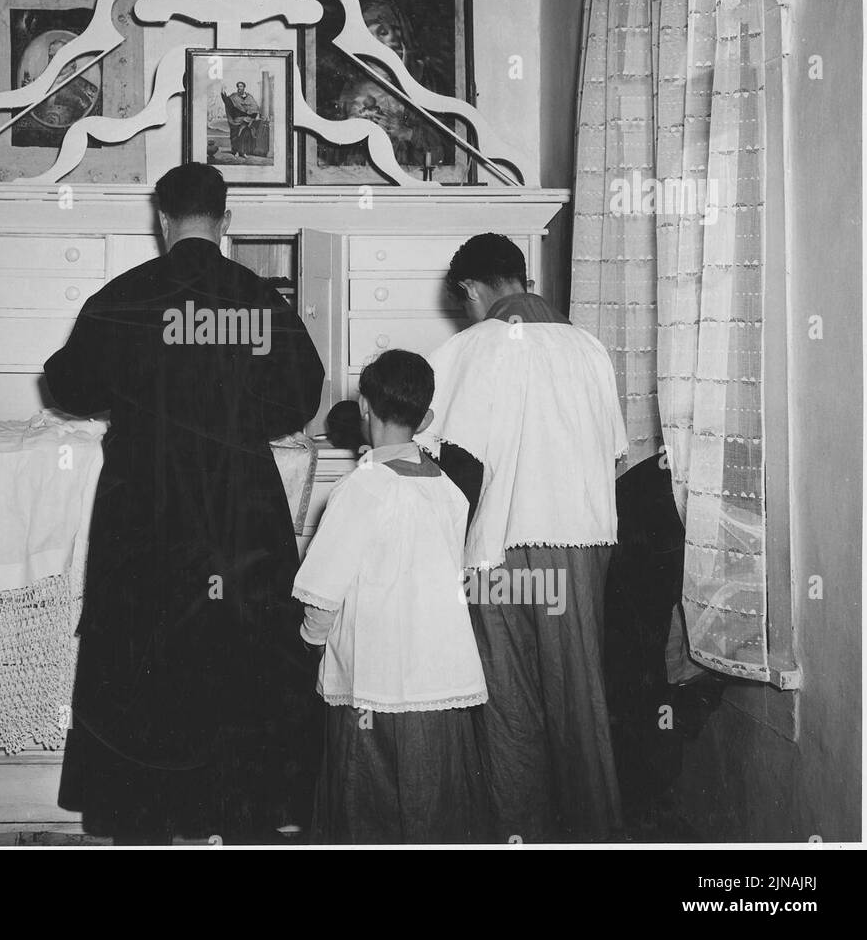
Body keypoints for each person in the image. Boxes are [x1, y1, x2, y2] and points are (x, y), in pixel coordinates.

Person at [44, 162, 325, 845]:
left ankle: (147, 822)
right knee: (239, 658)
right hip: (239, 511)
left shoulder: (123, 297)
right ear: (226, 221)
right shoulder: (260, 301)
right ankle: (237, 817)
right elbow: (302, 393)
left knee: (144, 662)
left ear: (162, 220)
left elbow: (66, 385)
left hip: (145, 510)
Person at [417, 232, 628, 842]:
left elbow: (452, 467)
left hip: (501, 551)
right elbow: (612, 454)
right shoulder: (589, 347)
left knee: (508, 706)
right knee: (580, 704)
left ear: (472, 290)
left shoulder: (468, 348)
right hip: (584, 547)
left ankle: (518, 837)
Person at [293, 349, 488, 843]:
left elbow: (321, 594)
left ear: (364, 407)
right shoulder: (449, 489)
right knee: (433, 807)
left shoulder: (364, 487)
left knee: (368, 809)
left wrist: (310, 644)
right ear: (425, 418)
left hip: (374, 683)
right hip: (439, 682)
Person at [220, 81, 261, 157]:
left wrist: (250, 116)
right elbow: (228, 102)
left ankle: (243, 152)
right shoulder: (234, 96)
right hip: (237, 120)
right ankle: (236, 151)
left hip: (247, 120)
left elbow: (255, 107)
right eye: (238, 86)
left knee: (244, 136)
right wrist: (223, 93)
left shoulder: (249, 97)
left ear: (244, 87)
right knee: (235, 136)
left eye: (241, 86)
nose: (239, 88)